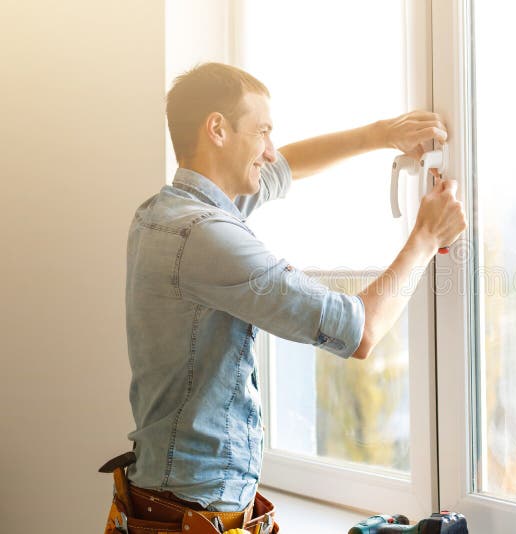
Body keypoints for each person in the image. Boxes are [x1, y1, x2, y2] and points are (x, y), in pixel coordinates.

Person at [106, 62, 466, 533]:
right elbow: (359, 330)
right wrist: (426, 238)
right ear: (217, 129)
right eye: (262, 132)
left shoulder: (164, 213)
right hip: (194, 510)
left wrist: (382, 134)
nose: (271, 150)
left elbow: (287, 165)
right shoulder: (203, 236)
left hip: (170, 496)